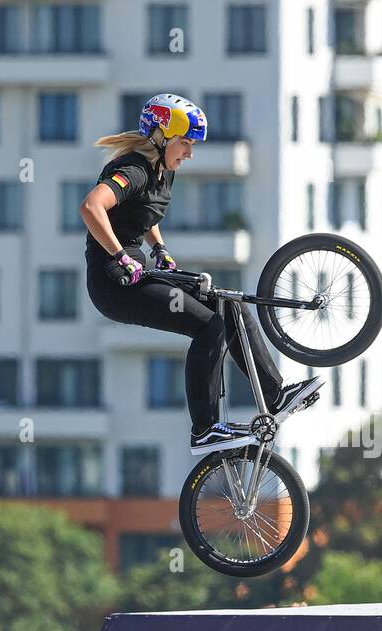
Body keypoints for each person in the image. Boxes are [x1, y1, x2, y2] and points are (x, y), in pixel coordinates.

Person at [81, 92, 323, 454]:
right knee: (209, 327)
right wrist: (120, 255)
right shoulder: (132, 170)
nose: (190, 152)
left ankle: (274, 396)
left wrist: (158, 248)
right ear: (162, 137)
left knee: (230, 308)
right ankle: (205, 429)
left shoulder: (162, 170)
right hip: (114, 284)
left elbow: (141, 215)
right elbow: (91, 207)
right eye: (185, 143)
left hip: (138, 274)